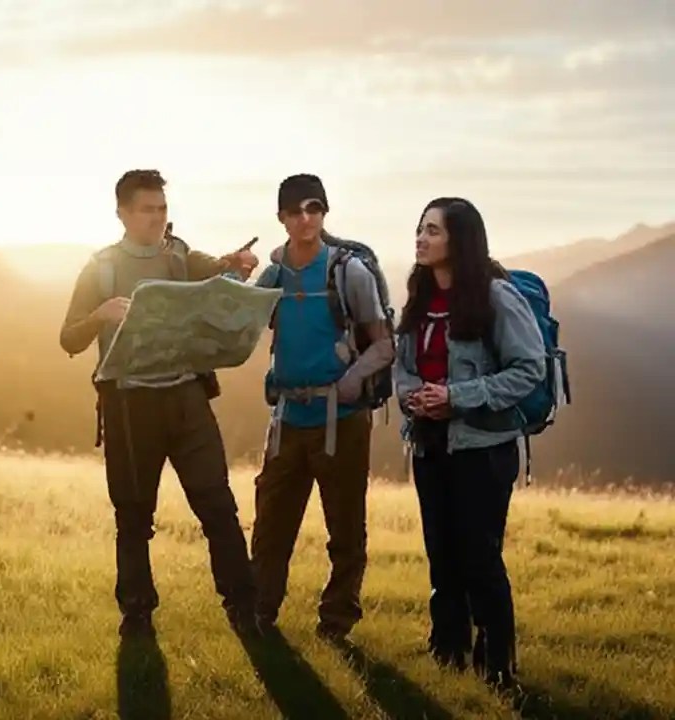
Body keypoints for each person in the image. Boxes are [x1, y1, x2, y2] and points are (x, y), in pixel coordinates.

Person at [59, 169, 260, 639]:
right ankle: (137, 615)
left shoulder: (180, 254)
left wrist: (238, 264)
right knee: (133, 516)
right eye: (147, 209)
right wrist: (100, 315)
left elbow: (221, 273)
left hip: (188, 396)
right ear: (123, 213)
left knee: (217, 505)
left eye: (162, 208)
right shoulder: (100, 267)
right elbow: (68, 338)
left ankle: (244, 609)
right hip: (128, 405)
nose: (157, 218)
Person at [394, 197, 545, 694]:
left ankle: (498, 666)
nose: (421, 238)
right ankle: (448, 652)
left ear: (459, 240)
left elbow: (529, 369)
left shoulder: (495, 296)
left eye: (433, 231)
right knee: (441, 554)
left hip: (483, 448)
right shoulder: (419, 296)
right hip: (429, 445)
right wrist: (411, 393)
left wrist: (458, 397)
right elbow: (403, 364)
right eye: (420, 228)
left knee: (480, 558)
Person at [249, 173, 393, 643]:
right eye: (295, 211)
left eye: (314, 208)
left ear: (325, 212)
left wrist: (353, 380)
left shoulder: (346, 271)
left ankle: (336, 623)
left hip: (341, 419)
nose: (305, 218)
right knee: (271, 525)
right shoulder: (272, 275)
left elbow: (384, 344)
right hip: (288, 418)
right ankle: (260, 614)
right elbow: (237, 321)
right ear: (281, 218)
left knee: (345, 529)